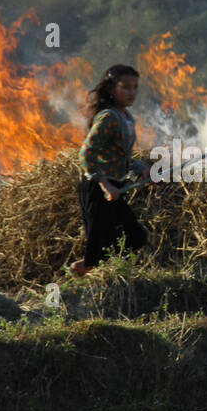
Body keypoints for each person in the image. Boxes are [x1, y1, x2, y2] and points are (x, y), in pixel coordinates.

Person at [71, 64, 150, 276]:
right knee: (100, 244)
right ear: (111, 89)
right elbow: (85, 154)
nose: (131, 93)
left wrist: (141, 169)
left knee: (136, 238)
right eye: (125, 87)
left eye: (135, 88)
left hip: (115, 188)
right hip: (98, 189)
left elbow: (123, 157)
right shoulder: (108, 118)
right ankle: (85, 278)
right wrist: (105, 185)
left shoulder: (127, 118)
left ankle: (86, 267)